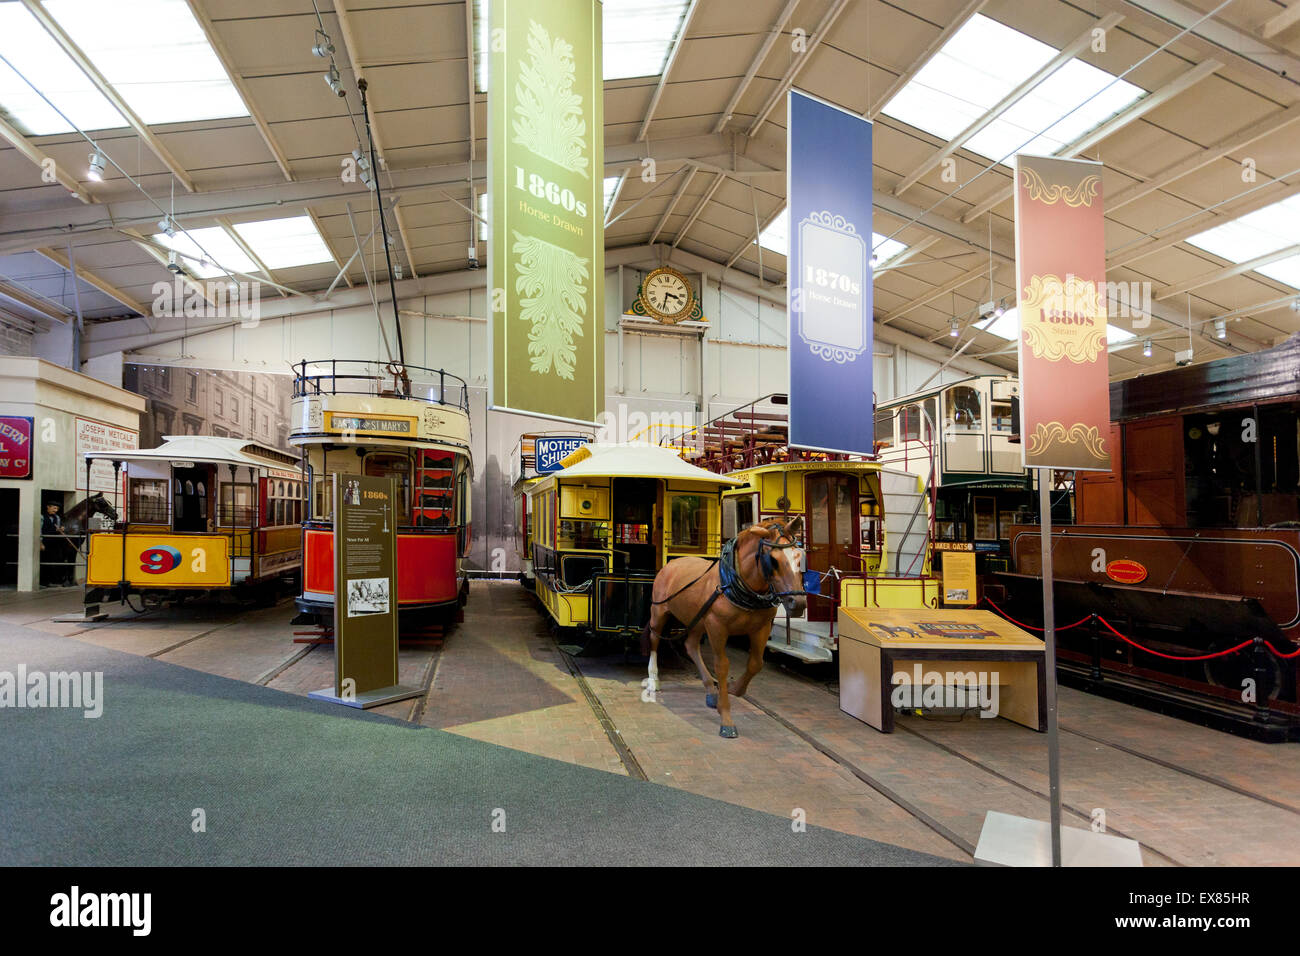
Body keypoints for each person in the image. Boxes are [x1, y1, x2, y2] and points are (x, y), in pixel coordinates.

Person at [40, 502, 74, 587]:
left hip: (55, 542)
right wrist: (40, 543)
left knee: (56, 560)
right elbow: (39, 530)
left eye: (57, 509)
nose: (55, 510)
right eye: (54, 508)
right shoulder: (41, 517)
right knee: (45, 561)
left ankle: (54, 580)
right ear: (48, 507)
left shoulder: (57, 517)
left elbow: (58, 528)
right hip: (45, 541)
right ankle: (44, 581)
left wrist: (61, 529)